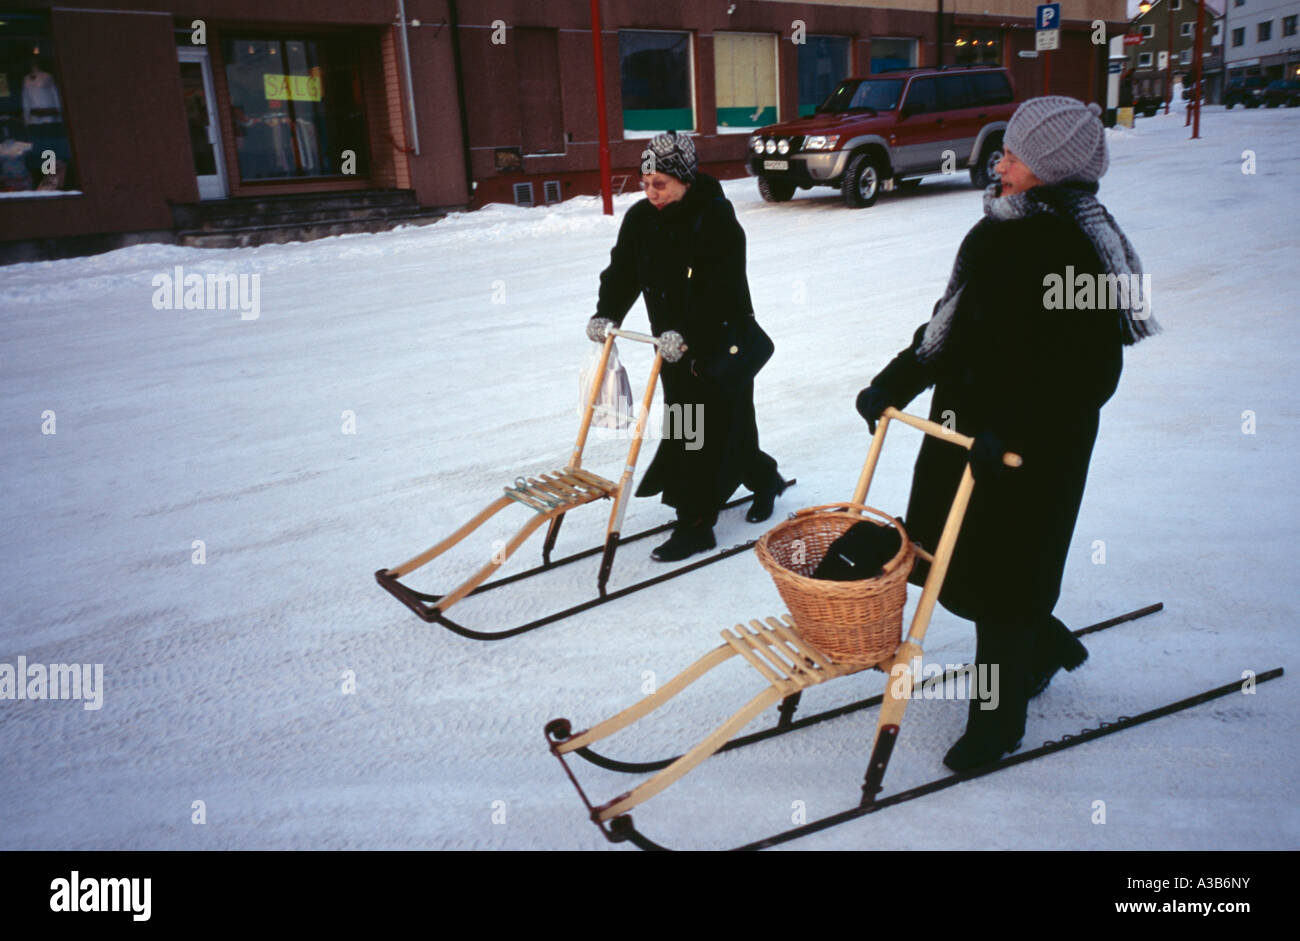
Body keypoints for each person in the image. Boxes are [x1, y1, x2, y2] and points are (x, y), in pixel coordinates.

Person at [854, 97, 1158, 771]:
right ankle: (1046, 644)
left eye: (1016, 155)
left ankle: (999, 721)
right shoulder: (992, 231)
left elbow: (1090, 373)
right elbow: (945, 329)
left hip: (1030, 453)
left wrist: (1014, 432)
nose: (1002, 162)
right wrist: (893, 383)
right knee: (945, 557)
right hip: (962, 433)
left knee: (1007, 584)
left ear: (1050, 168)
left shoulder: (1082, 252)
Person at [587, 131, 785, 562]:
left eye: (660, 183)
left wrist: (688, 333)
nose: (651, 192)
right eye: (645, 184)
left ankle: (696, 526)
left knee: (706, 433)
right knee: (699, 429)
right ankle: (764, 477)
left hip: (721, 347)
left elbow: (722, 290)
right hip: (672, 351)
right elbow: (622, 271)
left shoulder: (714, 219)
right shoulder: (641, 219)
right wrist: (607, 313)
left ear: (684, 179)